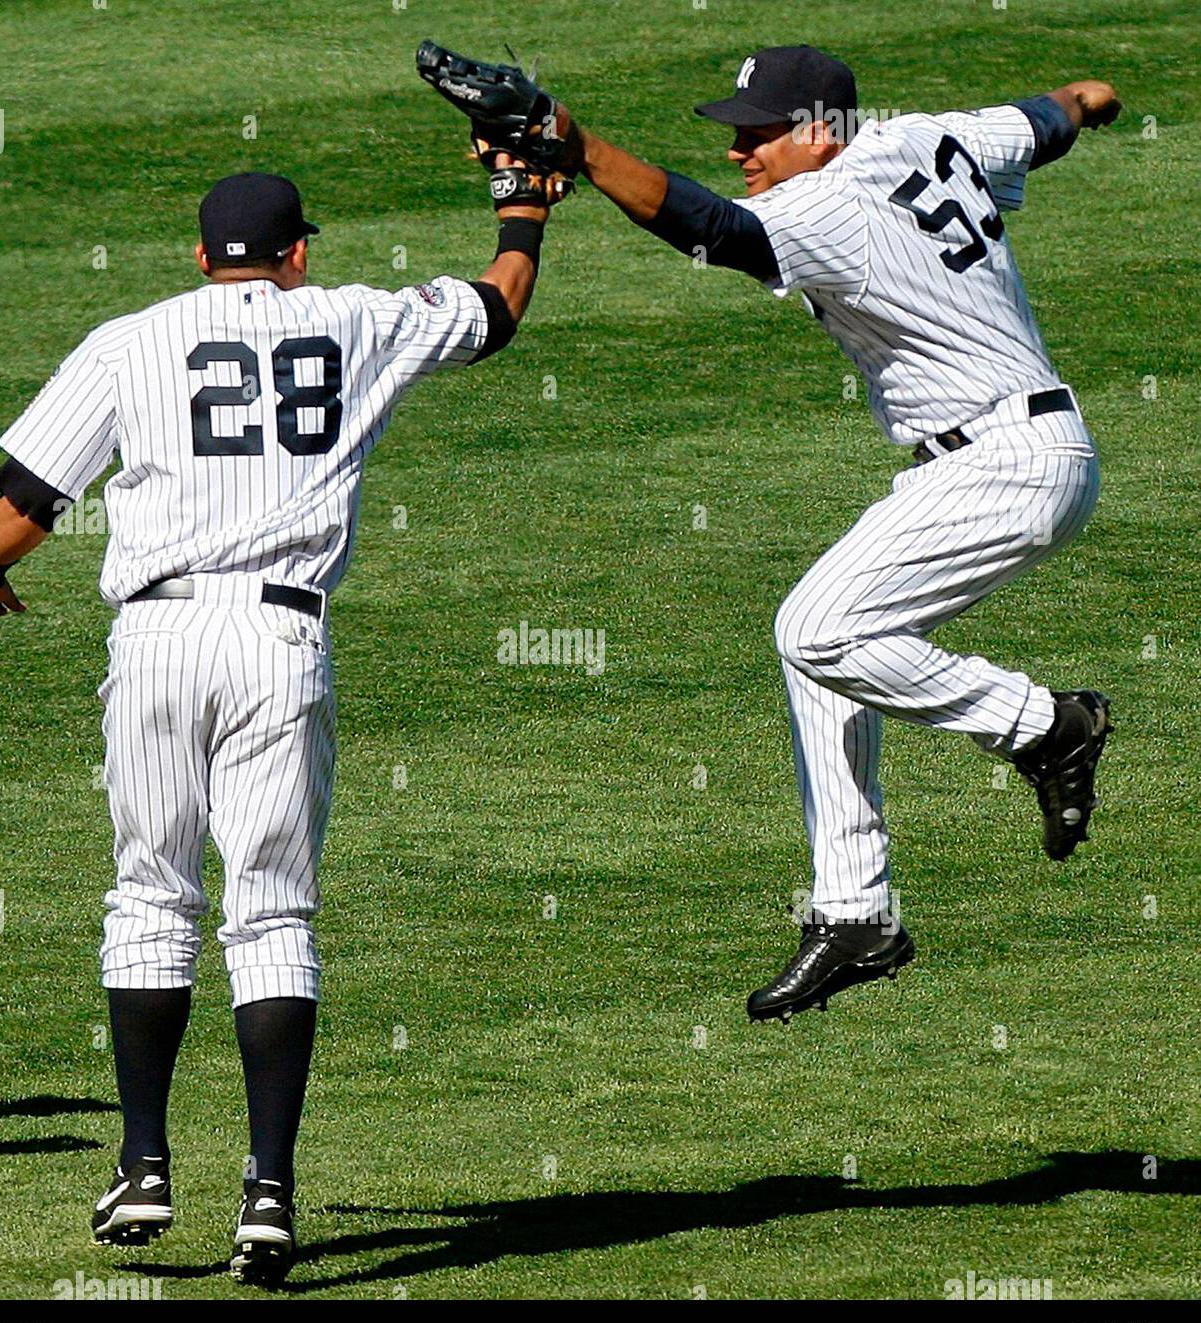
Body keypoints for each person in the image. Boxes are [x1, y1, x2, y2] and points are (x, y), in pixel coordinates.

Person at [0, 163, 555, 1283]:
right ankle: (269, 1192)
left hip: (158, 640)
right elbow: (496, 305)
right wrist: (526, 204)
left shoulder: (130, 338)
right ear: (299, 254)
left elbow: (31, 500)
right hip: (282, 642)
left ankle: (142, 1159)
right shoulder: (358, 320)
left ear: (200, 257)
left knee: (150, 892)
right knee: (271, 912)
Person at [463, 42, 1120, 1022]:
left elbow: (708, 228)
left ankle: (1045, 725)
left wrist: (575, 146)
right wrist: (1092, 98)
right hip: (1008, 454)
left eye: (757, 133)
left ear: (822, 129)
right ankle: (856, 913)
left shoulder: (831, 205)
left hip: (1004, 467)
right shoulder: (929, 137)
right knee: (823, 652)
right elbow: (1054, 112)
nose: (741, 150)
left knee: (816, 628)